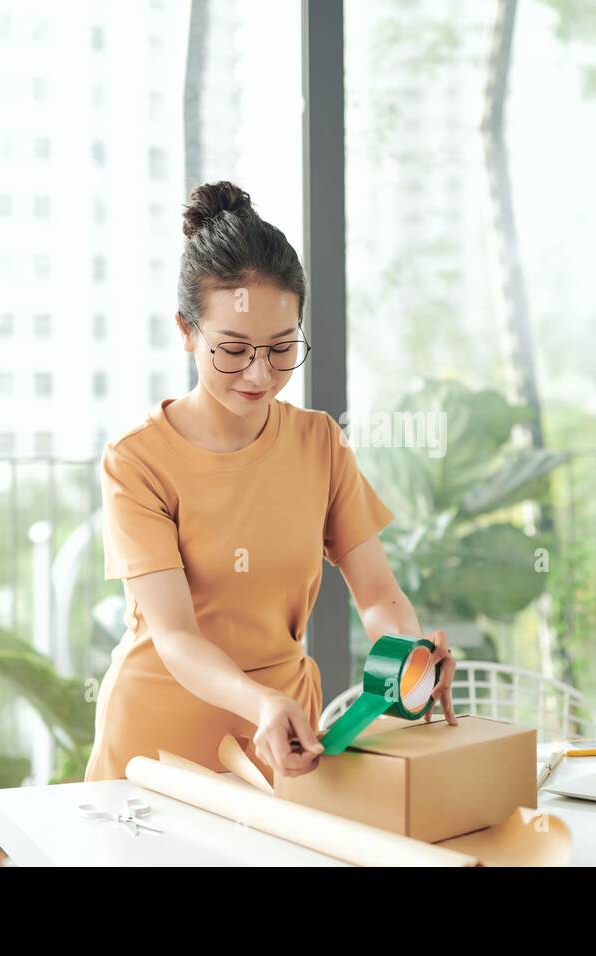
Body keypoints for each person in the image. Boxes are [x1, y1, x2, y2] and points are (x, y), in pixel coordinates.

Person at [83, 181, 457, 786]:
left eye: (282, 348)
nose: (260, 373)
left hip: (285, 739)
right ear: (186, 331)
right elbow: (175, 637)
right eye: (233, 349)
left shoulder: (320, 444)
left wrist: (410, 656)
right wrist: (257, 702)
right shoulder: (137, 462)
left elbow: (378, 596)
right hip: (156, 746)